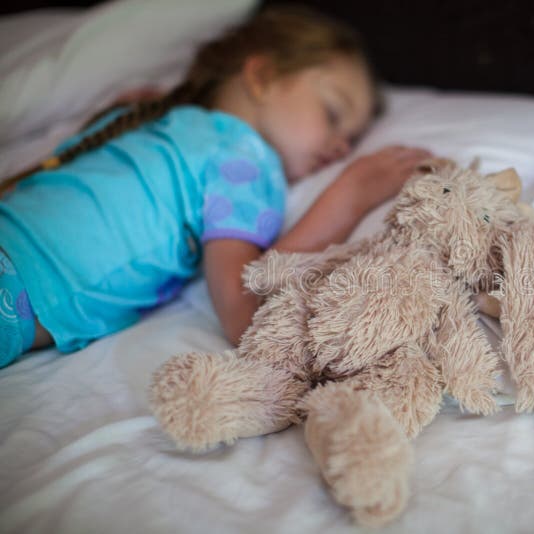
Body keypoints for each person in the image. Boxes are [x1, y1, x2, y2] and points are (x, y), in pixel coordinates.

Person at [0, 6, 432, 367]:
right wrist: (348, 196)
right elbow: (245, 313)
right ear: (261, 75)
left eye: (351, 143)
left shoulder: (164, 125)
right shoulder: (244, 157)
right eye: (333, 113)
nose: (341, 148)